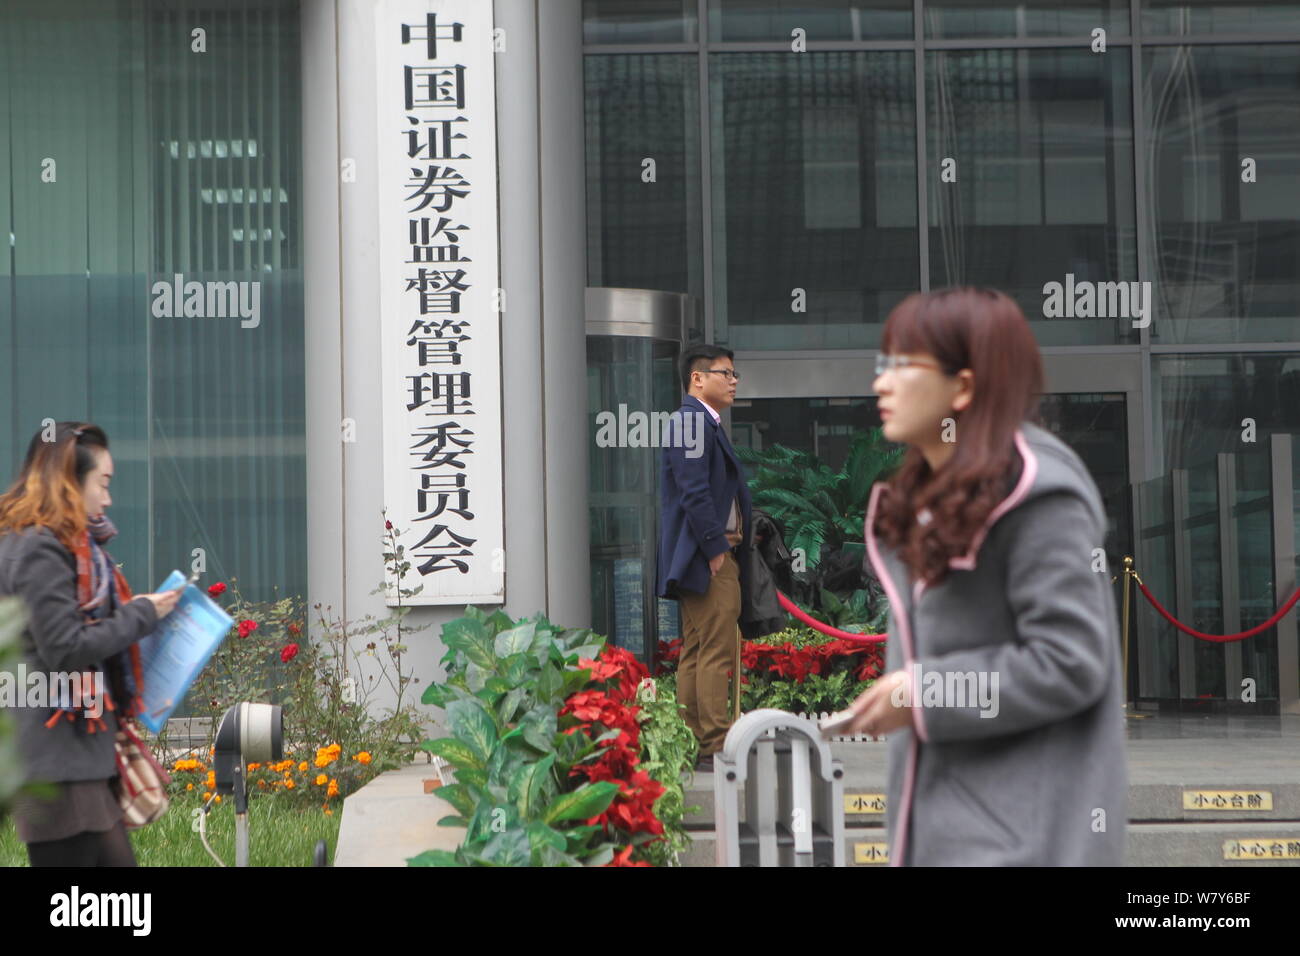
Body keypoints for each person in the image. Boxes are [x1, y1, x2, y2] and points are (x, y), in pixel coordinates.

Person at [842, 288, 1127, 866]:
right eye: (882, 364)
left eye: (902, 365)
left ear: (964, 386)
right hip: (946, 833)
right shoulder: (928, 496)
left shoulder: (1038, 493)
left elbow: (1070, 661)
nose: (881, 383)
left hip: (1023, 844)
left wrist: (924, 690)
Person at [0, 422, 181, 866]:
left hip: (71, 754)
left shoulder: (53, 545)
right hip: (55, 759)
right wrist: (141, 615)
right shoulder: (39, 548)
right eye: (103, 482)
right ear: (69, 481)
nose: (108, 498)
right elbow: (65, 646)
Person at [656, 345, 752, 773]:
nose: (733, 381)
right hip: (706, 556)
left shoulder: (699, 423)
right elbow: (695, 492)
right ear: (698, 378)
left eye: (734, 374)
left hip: (699, 555)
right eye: (725, 373)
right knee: (714, 650)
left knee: (697, 650)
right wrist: (715, 550)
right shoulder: (691, 421)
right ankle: (714, 744)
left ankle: (694, 740)